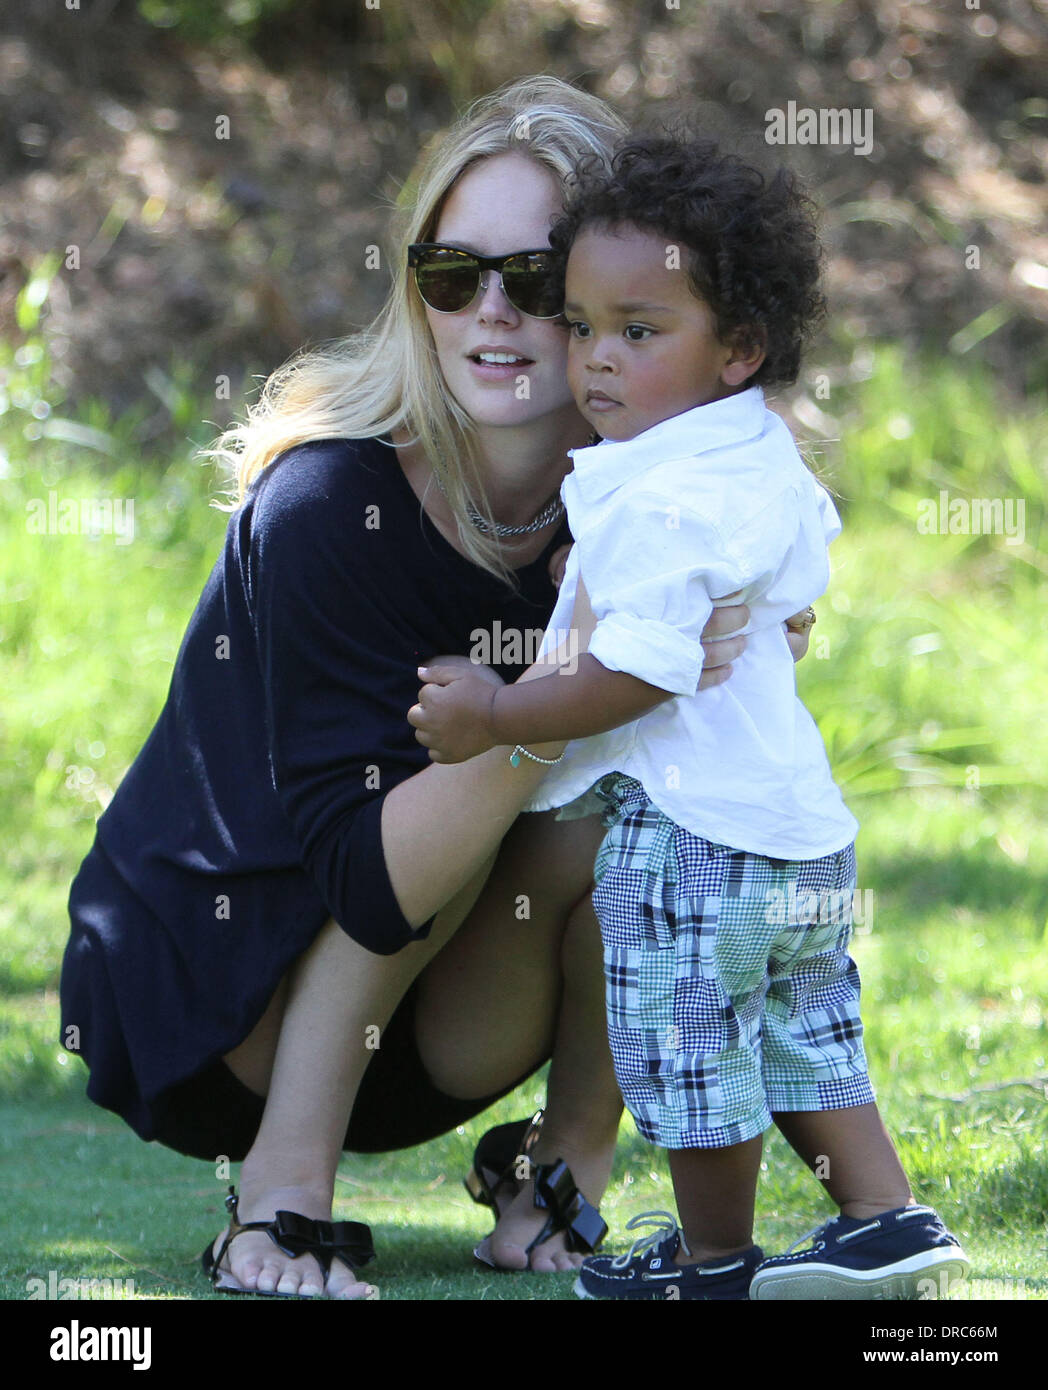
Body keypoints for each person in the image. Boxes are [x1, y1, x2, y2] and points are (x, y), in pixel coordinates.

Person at [58, 77, 795, 1301]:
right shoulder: (324, 509)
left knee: (662, 816)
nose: (495, 313)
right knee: (470, 785)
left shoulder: (649, 517)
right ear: (417, 293)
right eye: (453, 275)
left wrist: (713, 633)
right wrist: (575, 670)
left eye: (538, 276)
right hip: (212, 1003)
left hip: (429, 1043)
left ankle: (555, 1184)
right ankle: (279, 1205)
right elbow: (368, 871)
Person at [408, 132, 970, 1301]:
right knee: (808, 1036)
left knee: (688, 1049)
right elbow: (786, 588)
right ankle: (880, 1215)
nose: (594, 359)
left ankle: (713, 1262)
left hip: (694, 839)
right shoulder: (753, 455)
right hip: (803, 832)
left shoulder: (662, 498)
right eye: (580, 325)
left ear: (739, 348)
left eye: (638, 330)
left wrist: (497, 710)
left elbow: (642, 674)